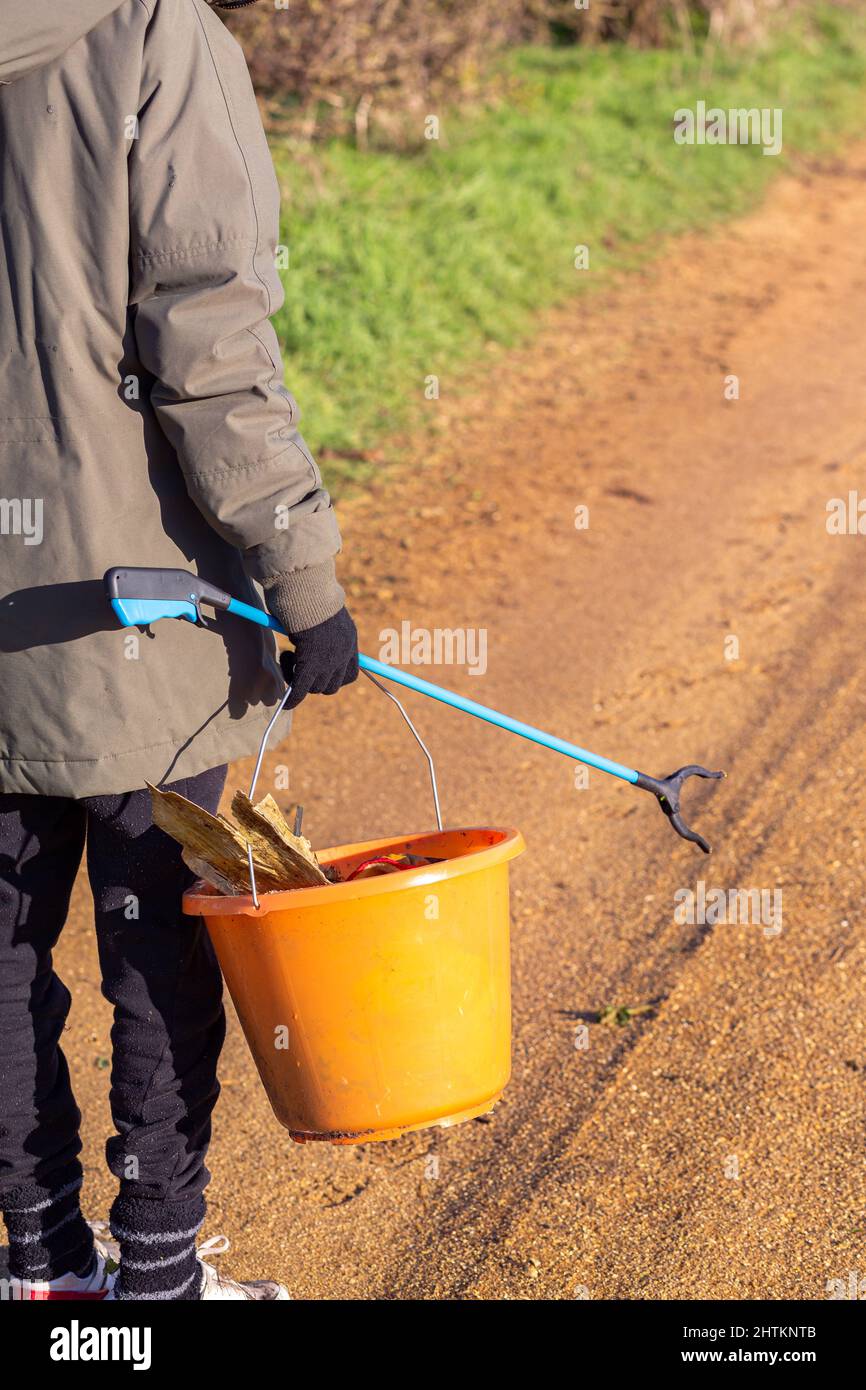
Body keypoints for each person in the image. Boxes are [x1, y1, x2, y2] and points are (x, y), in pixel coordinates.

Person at [0, 0, 358, 1300]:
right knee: (156, 934)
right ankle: (153, 1276)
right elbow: (208, 334)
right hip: (135, 614)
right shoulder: (155, 34)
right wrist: (301, 573)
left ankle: (38, 1263)